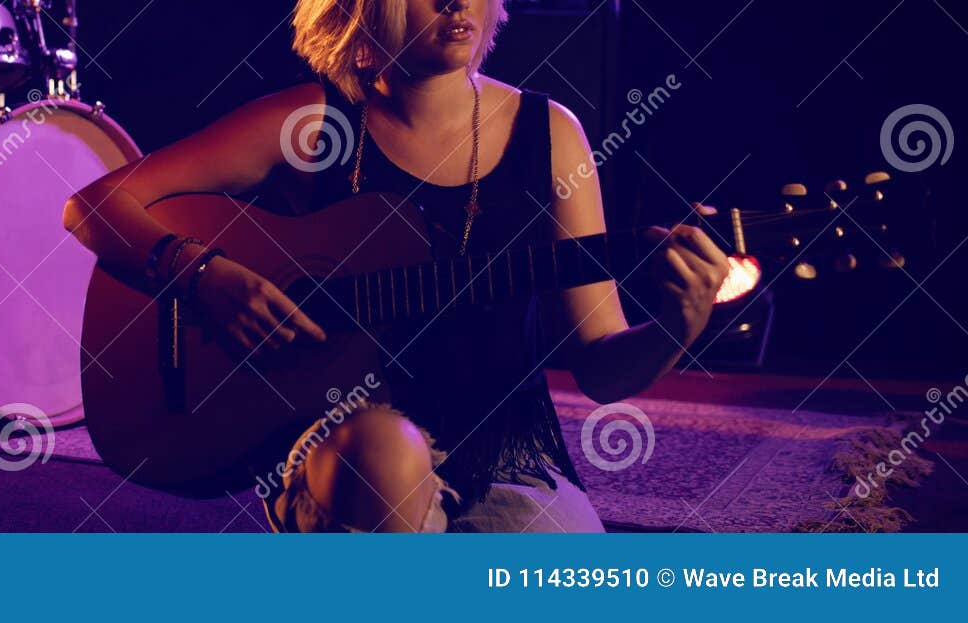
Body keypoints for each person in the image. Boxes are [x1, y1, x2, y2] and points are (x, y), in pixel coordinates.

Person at [63, 0, 730, 532]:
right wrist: (203, 275)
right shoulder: (314, 123)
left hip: (502, 456)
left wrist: (676, 326)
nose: (453, 1)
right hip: (343, 447)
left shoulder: (550, 135)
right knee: (386, 453)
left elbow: (600, 366)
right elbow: (93, 205)